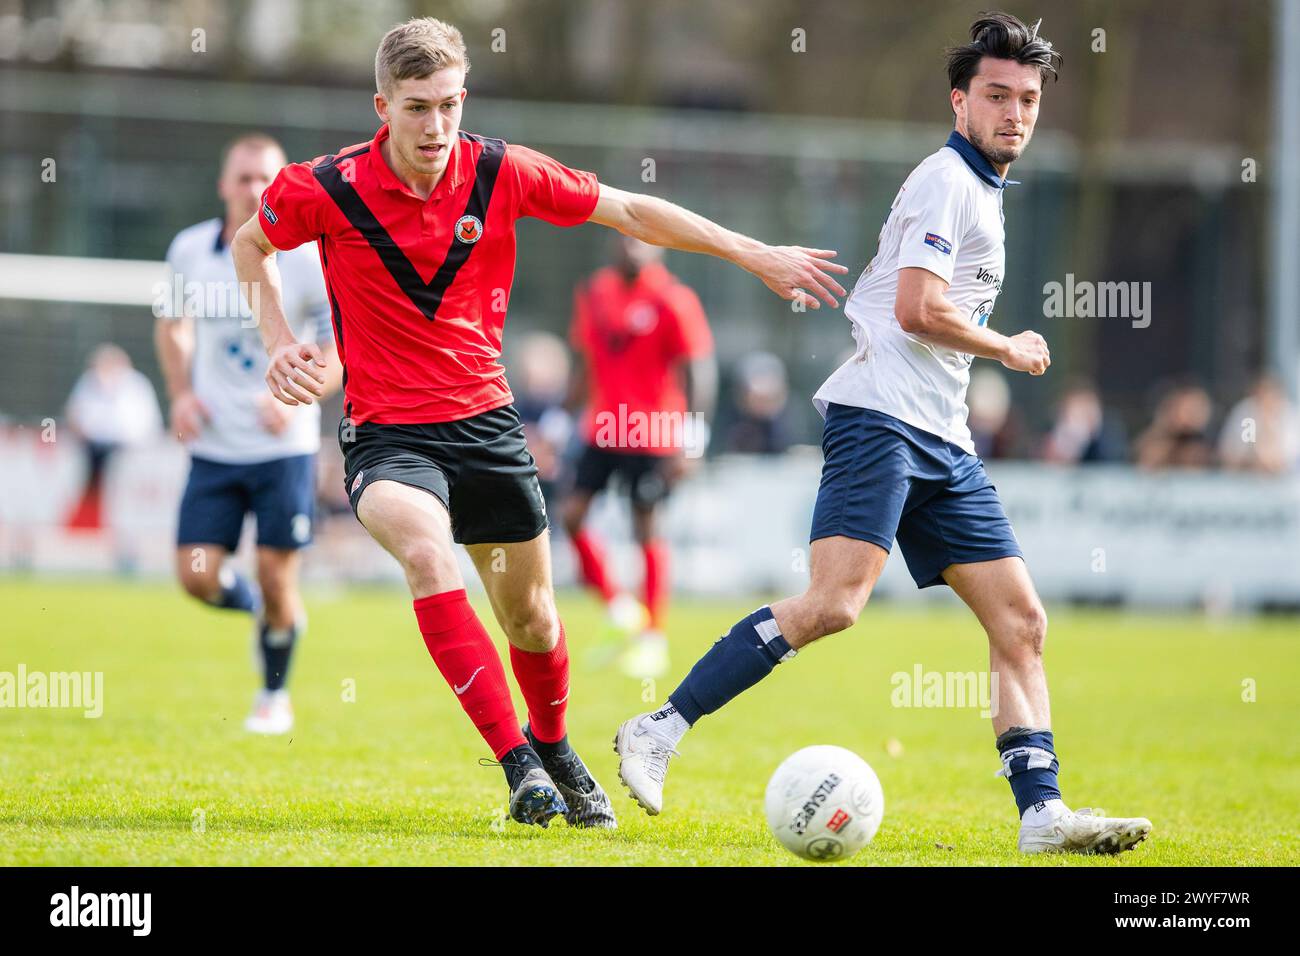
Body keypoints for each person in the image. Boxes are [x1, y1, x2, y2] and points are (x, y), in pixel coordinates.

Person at [231, 17, 847, 829]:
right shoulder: (326, 187)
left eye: (449, 104)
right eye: (416, 108)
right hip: (387, 436)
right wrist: (276, 339)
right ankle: (519, 765)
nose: (436, 127)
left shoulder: (501, 171)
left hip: (487, 426)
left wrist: (753, 252)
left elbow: (630, 211)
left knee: (533, 618)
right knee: (424, 552)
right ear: (381, 106)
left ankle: (554, 744)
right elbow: (251, 245)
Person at [614, 13, 1152, 855]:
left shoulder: (984, 190)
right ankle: (659, 727)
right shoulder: (946, 179)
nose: (1014, 113)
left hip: (941, 436)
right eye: (997, 96)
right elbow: (916, 309)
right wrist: (1006, 344)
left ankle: (1043, 815)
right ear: (960, 101)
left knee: (1021, 622)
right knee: (834, 605)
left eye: (1029, 99)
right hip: (881, 419)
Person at [155, 133, 340, 735]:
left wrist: (300, 395)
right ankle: (266, 613)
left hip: (282, 451)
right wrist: (181, 392)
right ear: (223, 184)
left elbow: (345, 344)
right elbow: (170, 323)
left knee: (277, 572)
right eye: (243, 178)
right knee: (196, 577)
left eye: (266, 178)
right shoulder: (188, 250)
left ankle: (273, 696)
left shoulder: (309, 258)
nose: (255, 189)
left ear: (283, 184)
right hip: (214, 446)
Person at [561, 236, 716, 679]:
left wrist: (694, 434)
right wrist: (559, 420)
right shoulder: (595, 292)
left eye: (643, 241)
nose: (633, 247)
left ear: (660, 250)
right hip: (603, 428)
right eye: (626, 238)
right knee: (571, 515)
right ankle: (619, 607)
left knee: (646, 527)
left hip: (654, 434)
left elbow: (698, 367)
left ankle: (653, 638)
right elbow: (588, 362)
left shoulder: (673, 299)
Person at [64, 344, 163, 530]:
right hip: (93, 447)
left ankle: (115, 526)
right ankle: (88, 525)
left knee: (115, 482)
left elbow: (144, 426)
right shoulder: (89, 382)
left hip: (128, 449)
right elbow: (75, 414)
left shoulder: (136, 386)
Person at [1217, 374, 1300, 474]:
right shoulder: (1246, 412)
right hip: (1246, 477)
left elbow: (1290, 458)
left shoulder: (1290, 415)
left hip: (1285, 479)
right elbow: (1232, 455)